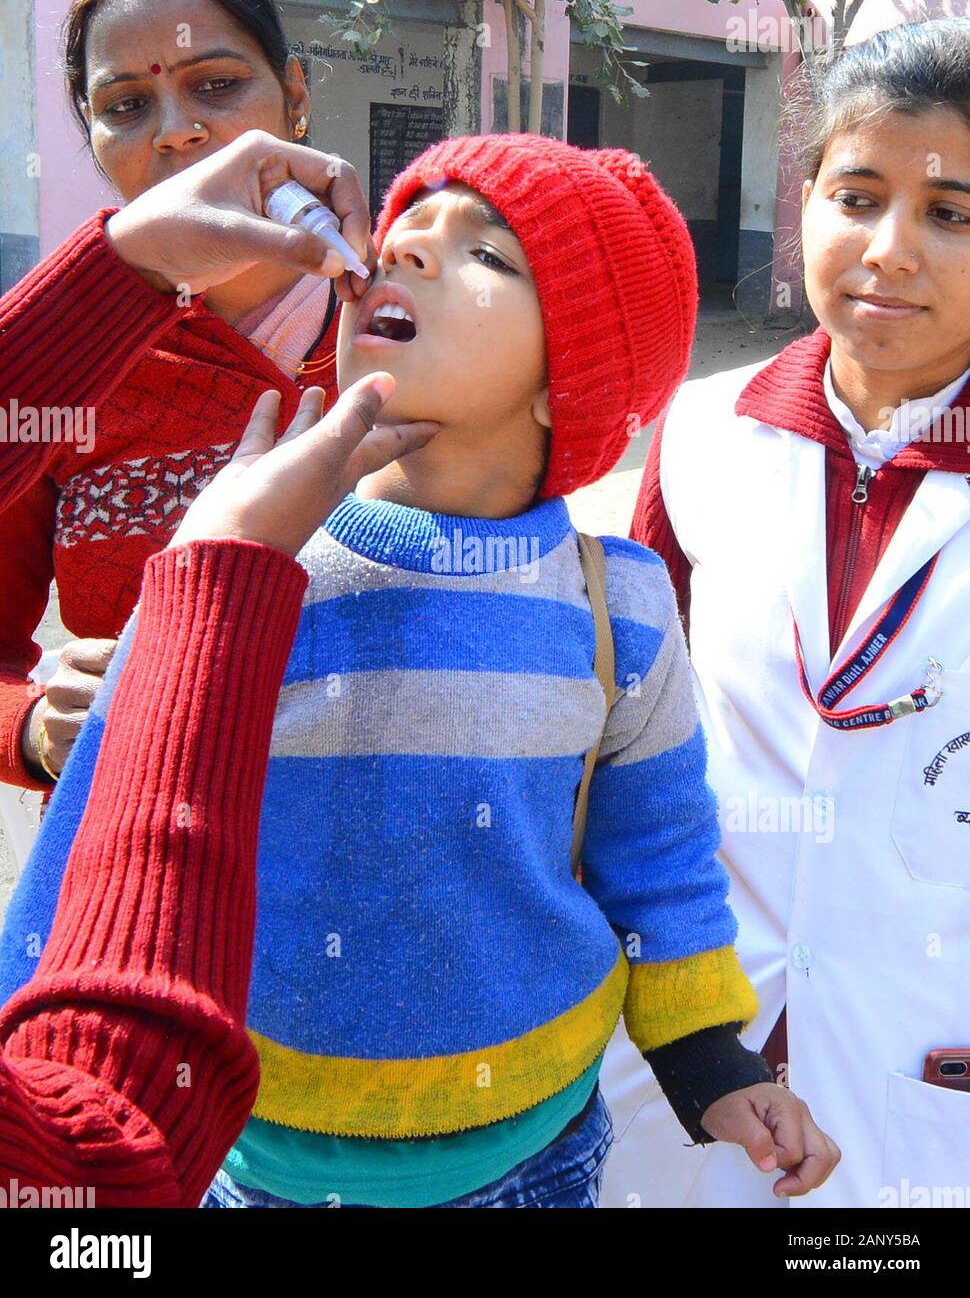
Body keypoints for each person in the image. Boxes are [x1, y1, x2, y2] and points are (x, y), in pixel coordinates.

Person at [3, 132, 840, 1209]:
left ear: (568, 387)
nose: (405, 258)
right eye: (398, 239)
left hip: (529, 1150)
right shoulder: (243, 566)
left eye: (486, 255)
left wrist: (703, 1058)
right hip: (241, 1150)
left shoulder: (613, 602)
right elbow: (106, 839)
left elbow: (658, 849)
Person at [624, 18, 970, 1208]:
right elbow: (627, 725)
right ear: (806, 195)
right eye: (856, 195)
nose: (890, 251)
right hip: (702, 1040)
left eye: (951, 214)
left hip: (928, 1053)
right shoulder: (701, 432)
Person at [0, 370, 438, 1206]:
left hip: (339, 1070)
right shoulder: (61, 371)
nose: (409, 244)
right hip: (117, 940)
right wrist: (30, 729)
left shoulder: (387, 359)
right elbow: (101, 1155)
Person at [0, 0, 370, 796]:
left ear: (297, 94)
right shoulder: (54, 369)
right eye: (127, 105)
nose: (177, 132)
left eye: (215, 84)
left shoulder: (406, 316)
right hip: (137, 874)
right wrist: (32, 728)